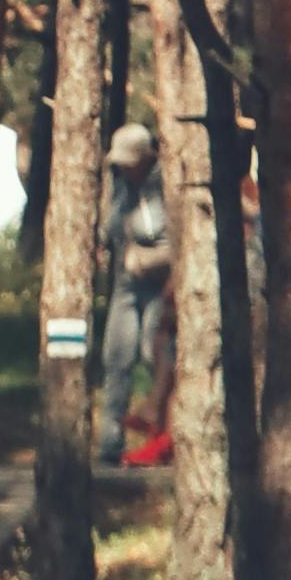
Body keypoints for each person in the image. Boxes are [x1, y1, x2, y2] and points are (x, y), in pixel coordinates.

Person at [91, 116, 173, 467]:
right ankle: (111, 445)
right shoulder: (121, 189)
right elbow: (112, 229)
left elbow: (185, 245)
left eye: (130, 162)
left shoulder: (169, 189)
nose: (124, 169)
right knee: (117, 358)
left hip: (162, 289)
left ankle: (162, 443)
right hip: (125, 288)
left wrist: (149, 260)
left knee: (156, 359)